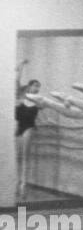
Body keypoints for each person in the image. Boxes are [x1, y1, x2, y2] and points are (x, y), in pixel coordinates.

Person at [14, 60, 40, 200]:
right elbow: (17, 81)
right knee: (17, 157)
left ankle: (24, 185)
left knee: (25, 157)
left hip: (29, 128)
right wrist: (22, 66)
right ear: (29, 86)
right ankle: (17, 182)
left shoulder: (38, 100)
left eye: (38, 87)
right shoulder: (20, 97)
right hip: (19, 128)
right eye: (35, 86)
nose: (37, 89)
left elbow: (49, 107)